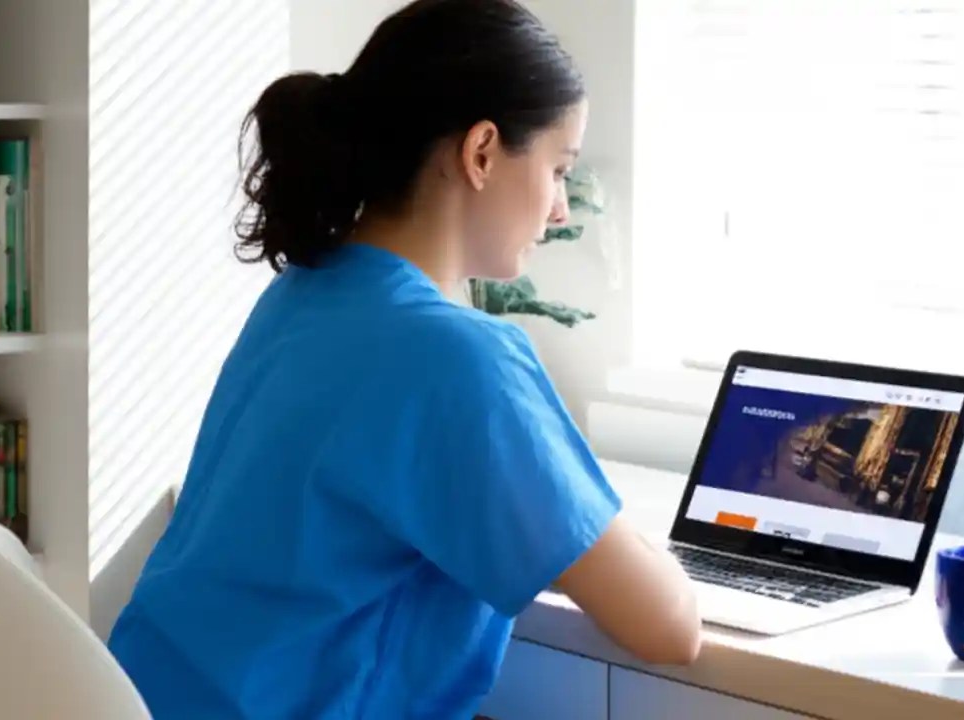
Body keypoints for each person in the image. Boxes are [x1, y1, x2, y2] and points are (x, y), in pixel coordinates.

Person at [106, 1, 701, 717]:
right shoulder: (455, 356)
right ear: (482, 153)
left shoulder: (304, 293)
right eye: (558, 169)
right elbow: (670, 628)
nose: (560, 210)